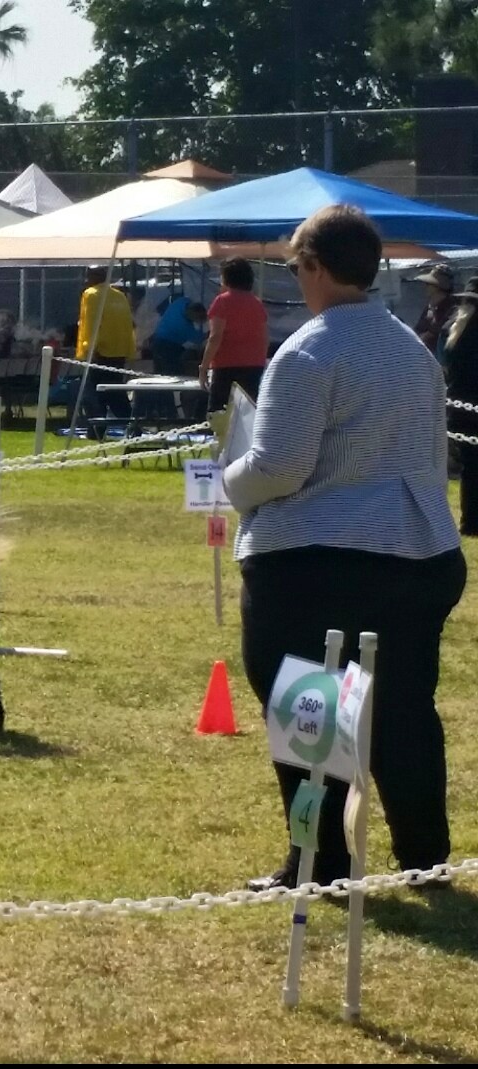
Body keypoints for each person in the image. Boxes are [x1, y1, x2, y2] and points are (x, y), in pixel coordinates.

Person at [223, 205, 465, 895]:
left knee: (308, 709)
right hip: (418, 551)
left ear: (315, 267)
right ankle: (425, 857)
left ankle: (318, 858)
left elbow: (280, 466)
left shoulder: (307, 352)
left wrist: (230, 482)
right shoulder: (414, 351)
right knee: (405, 711)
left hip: (316, 561)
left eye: (298, 267)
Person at [199, 257, 269, 415]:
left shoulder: (222, 301)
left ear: (226, 278)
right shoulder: (257, 303)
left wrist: (204, 367)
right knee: (248, 413)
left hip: (226, 366)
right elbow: (264, 338)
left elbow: (215, 337)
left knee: (219, 413)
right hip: (253, 365)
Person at [74, 264, 136, 422]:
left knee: (92, 394)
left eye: (89, 276)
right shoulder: (120, 296)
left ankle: (98, 427)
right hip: (119, 352)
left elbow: (91, 323)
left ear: (94, 277)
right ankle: (130, 425)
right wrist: (130, 349)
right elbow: (128, 324)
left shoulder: (91, 294)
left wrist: (89, 347)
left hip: (100, 351)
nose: (86, 280)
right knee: (114, 392)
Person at [443, 275, 478, 535]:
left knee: (469, 467)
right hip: (473, 403)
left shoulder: (451, 328)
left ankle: (469, 521)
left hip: (458, 407)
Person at [144, 295, 207, 418]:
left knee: (159, 377)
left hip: (157, 342)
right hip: (168, 348)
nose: (197, 322)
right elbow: (198, 339)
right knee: (170, 379)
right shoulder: (183, 326)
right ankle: (170, 412)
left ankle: (159, 410)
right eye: (197, 320)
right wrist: (209, 333)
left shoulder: (181, 302)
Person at [410, 263, 458, 355]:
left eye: (429, 284)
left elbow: (435, 332)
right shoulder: (430, 306)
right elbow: (418, 330)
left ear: (437, 287)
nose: (425, 287)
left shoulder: (451, 308)